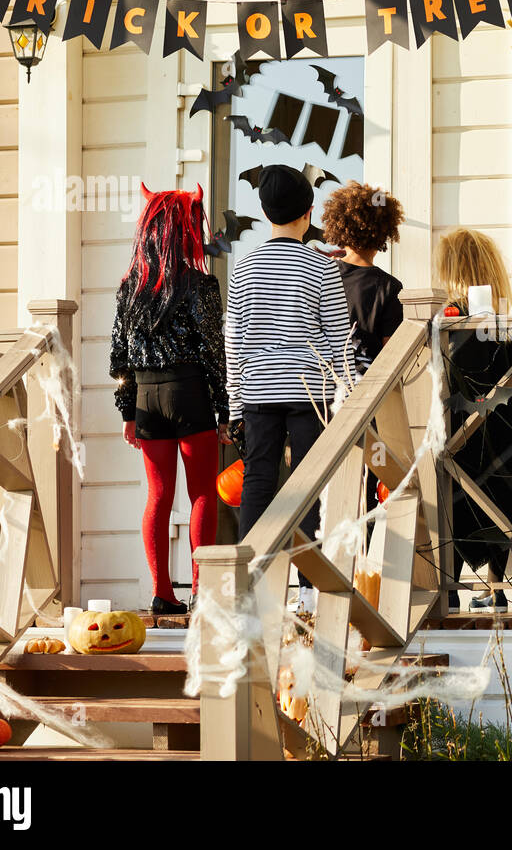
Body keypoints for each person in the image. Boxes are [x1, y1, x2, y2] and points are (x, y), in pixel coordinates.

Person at [225, 165, 354, 604]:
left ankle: (250, 583)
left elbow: (234, 342)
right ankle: (308, 588)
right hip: (309, 391)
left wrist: (235, 405)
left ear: (264, 213)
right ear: (309, 212)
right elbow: (339, 340)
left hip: (259, 392)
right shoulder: (322, 268)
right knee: (307, 482)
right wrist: (347, 394)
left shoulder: (244, 268)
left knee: (257, 481)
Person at [110, 184, 228, 616]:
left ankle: (162, 593)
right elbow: (213, 352)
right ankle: (202, 593)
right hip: (188, 392)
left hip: (146, 397)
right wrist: (224, 409)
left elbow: (118, 356)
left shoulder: (130, 287)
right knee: (202, 495)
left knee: (158, 496)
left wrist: (128, 411)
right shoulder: (200, 284)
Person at [435, 228, 512, 611]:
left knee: (453, 480)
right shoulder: (498, 331)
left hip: (458, 431)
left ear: (453, 271)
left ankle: (449, 588)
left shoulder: (449, 328)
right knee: (501, 472)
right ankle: (496, 589)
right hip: (497, 428)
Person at [320, 181, 406, 374]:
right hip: (367, 387)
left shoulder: (322, 275)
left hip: (321, 385)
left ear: (340, 229)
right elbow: (391, 355)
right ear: (383, 234)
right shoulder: (390, 287)